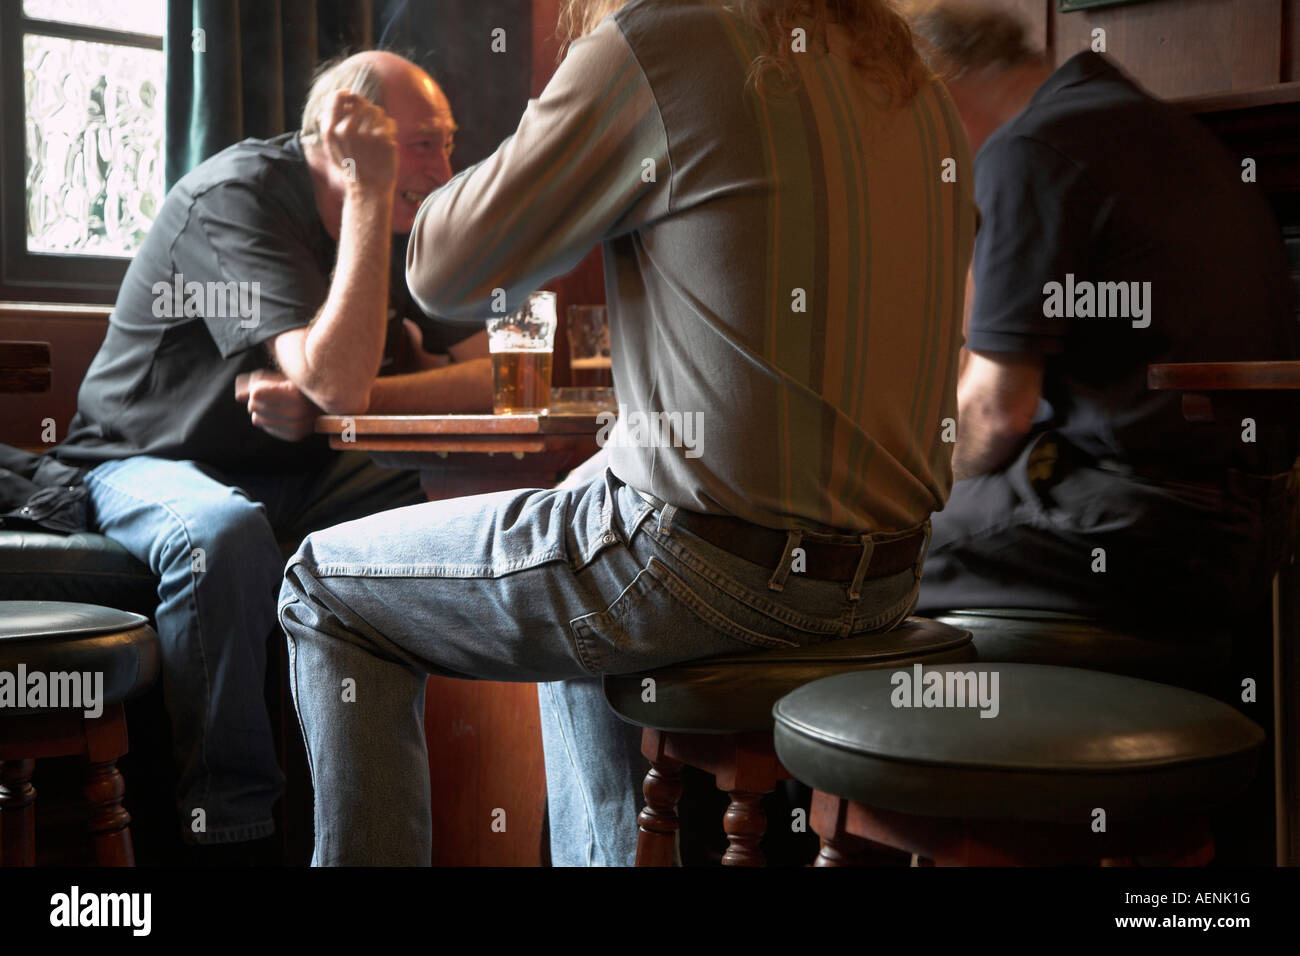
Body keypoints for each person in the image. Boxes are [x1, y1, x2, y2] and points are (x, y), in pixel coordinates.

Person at [278, 0, 976, 866]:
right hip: (887, 578)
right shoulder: (909, 78)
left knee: (321, 586)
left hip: (714, 572)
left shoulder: (666, 39)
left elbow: (445, 273)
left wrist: (500, 138)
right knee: (586, 515)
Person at [50, 51, 492, 859]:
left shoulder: (403, 213)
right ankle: (234, 834)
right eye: (422, 146)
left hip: (296, 469)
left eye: (442, 145)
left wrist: (349, 399)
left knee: (441, 509)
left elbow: (495, 368)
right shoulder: (241, 196)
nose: (443, 169)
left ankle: (409, 817)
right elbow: (337, 381)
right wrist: (367, 192)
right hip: (137, 458)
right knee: (221, 537)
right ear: (345, 135)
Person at [902, 2, 1297, 622]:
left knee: (859, 561)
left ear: (933, 93)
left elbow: (996, 413)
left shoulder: (1028, 147)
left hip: (1142, 524)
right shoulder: (1159, 126)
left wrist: (904, 483)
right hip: (1255, 520)